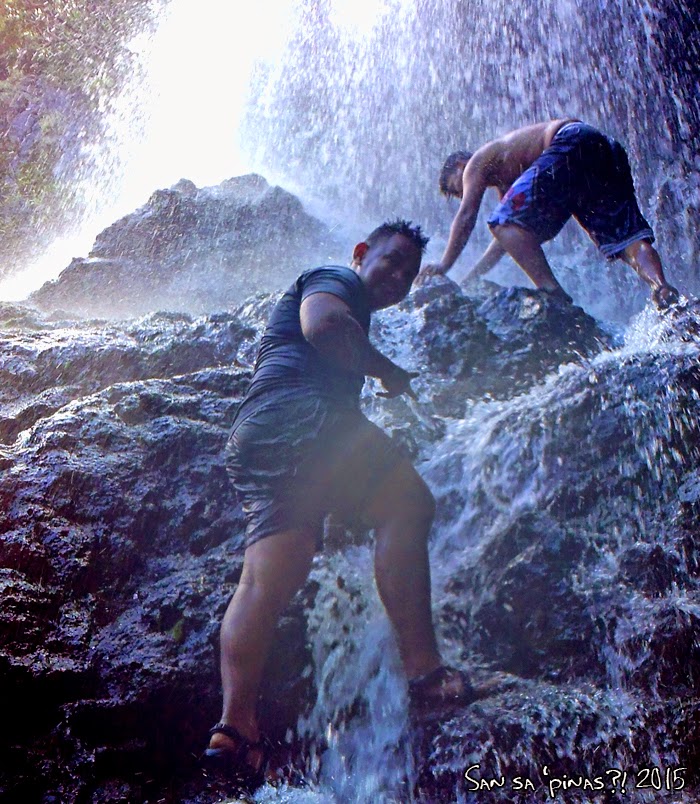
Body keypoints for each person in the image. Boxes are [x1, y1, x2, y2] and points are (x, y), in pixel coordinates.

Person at [202, 219, 472, 792]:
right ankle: (425, 674)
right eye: (391, 261)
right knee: (407, 503)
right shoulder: (332, 279)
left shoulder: (351, 305)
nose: (398, 276)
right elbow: (323, 326)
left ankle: (234, 728)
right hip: (304, 417)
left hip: (257, 434)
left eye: (408, 272)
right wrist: (389, 371)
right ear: (360, 253)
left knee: (267, 578)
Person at [419, 119, 679, 308]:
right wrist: (472, 277)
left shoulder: (476, 162)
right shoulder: (509, 181)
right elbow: (505, 240)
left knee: (502, 219)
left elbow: (468, 217)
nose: (464, 193)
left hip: (569, 142)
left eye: (457, 188)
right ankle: (662, 289)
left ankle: (552, 291)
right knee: (628, 242)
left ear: (459, 166)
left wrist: (444, 265)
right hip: (600, 148)